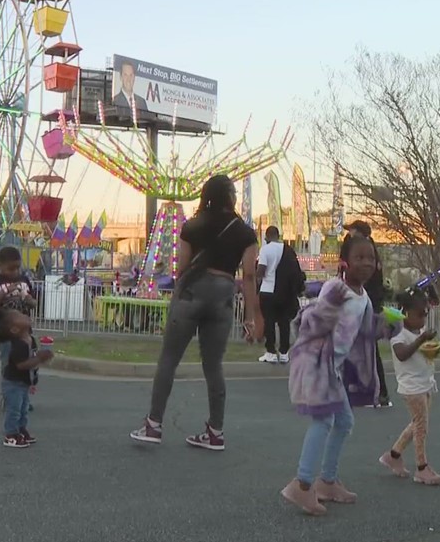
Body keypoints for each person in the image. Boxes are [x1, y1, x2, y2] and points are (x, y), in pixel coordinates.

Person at [130, 174, 261, 450]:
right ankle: (215, 431)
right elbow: (248, 276)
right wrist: (252, 317)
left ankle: (153, 425)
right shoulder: (246, 233)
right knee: (213, 365)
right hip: (223, 296)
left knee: (169, 359)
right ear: (231, 197)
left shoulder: (192, 226)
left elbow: (182, 268)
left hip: (191, 294)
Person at [281, 234, 383, 515]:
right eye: (359, 258)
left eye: (371, 258)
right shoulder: (334, 288)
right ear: (345, 263)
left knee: (344, 422)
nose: (366, 263)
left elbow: (365, 331)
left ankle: (327, 481)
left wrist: (393, 326)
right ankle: (301, 486)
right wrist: (326, 308)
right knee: (324, 421)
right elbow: (311, 323)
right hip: (315, 362)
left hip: (332, 368)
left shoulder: (363, 297)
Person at [378, 288, 440, 486]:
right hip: (411, 387)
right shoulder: (399, 334)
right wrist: (421, 340)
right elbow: (402, 354)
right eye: (420, 314)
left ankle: (394, 454)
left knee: (417, 424)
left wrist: (429, 346)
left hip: (425, 383)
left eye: (426, 313)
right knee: (421, 427)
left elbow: (419, 352)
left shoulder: (418, 331)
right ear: (405, 313)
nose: (424, 318)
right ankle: (422, 468)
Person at [344, 220, 392, 408]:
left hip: (369, 303)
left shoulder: (365, 251)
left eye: (353, 231)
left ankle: (379, 393)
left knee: (369, 349)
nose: (350, 235)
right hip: (365, 302)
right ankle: (362, 390)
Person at [0, 247, 39, 404]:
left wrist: (29, 299)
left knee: (27, 365)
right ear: (0, 265)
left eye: (17, 268)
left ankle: (23, 397)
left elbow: (34, 303)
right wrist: (4, 293)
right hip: (5, 333)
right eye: (10, 268)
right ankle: (9, 397)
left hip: (24, 334)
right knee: (8, 365)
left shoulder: (24, 280)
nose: (14, 272)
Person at [0, 310, 54, 448]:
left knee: (23, 408)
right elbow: (21, 365)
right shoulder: (18, 344)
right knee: (14, 409)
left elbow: (31, 357)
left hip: (24, 381)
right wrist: (39, 358)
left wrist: (39, 358)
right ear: (15, 329)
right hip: (13, 382)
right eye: (19, 317)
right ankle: (11, 435)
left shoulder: (30, 339)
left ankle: (21, 429)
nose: (25, 316)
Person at [256, 226, 303, 364]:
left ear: (267, 236)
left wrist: (257, 279)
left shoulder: (265, 249)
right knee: (284, 322)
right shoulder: (288, 250)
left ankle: (270, 352)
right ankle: (284, 353)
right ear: (278, 235)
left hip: (268, 291)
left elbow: (261, 271)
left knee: (269, 322)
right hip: (285, 292)